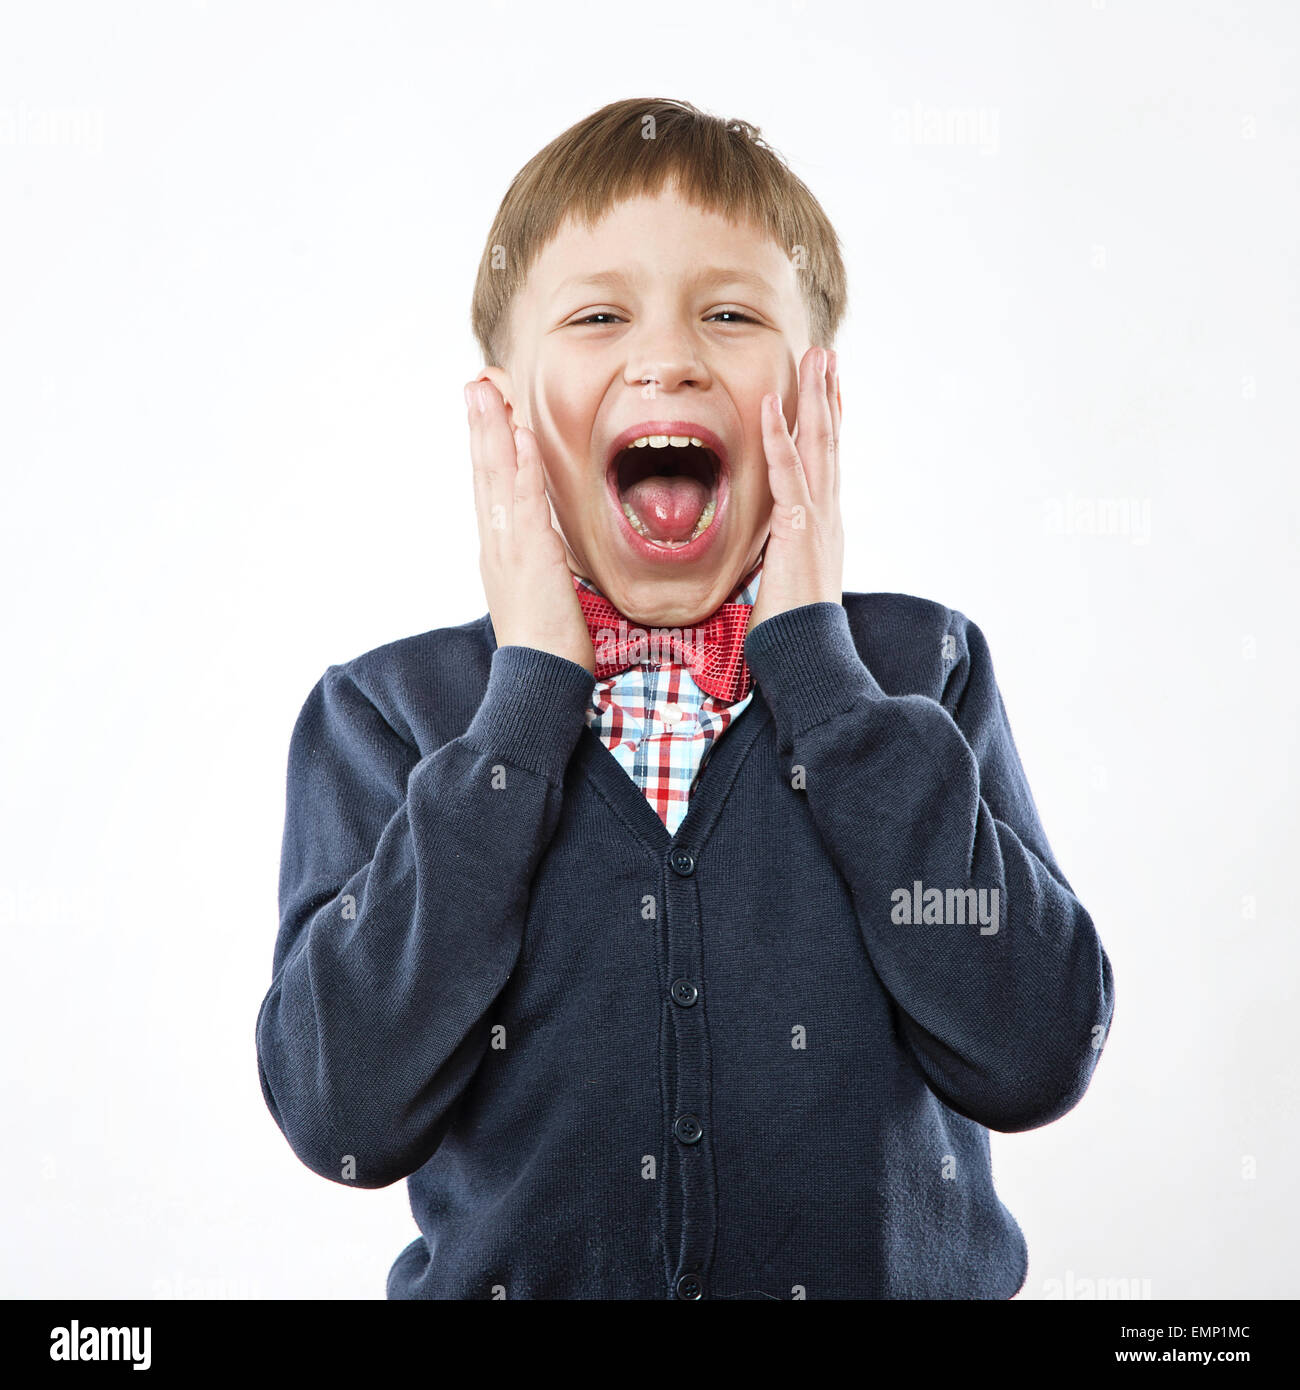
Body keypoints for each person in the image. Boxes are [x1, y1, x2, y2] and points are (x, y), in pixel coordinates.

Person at [255, 96, 1116, 1300]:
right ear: (505, 411)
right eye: (599, 315)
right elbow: (339, 1104)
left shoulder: (918, 672)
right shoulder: (391, 712)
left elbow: (1031, 1053)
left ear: (814, 398)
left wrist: (821, 676)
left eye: (729, 314)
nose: (665, 357)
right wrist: (526, 704)